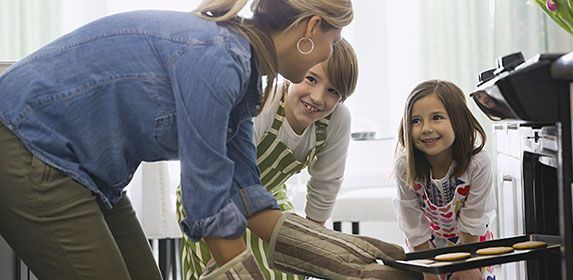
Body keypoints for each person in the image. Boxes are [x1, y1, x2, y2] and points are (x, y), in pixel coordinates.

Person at [0, 0, 426, 279]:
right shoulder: (218, 58)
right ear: (312, 27)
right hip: (31, 148)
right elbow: (208, 204)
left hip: (90, 175)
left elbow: (248, 198)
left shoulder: (244, 74)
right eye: (332, 41)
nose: (325, 54)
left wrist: (349, 259)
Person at [176, 38, 357, 280]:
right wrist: (224, 250)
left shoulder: (337, 121)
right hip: (212, 196)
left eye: (332, 91)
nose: (317, 97)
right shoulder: (265, 101)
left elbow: (325, 186)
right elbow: (223, 173)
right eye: (311, 79)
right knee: (229, 272)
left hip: (268, 198)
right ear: (293, 72)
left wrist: (312, 249)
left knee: (289, 269)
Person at [393, 80, 497, 280]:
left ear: (457, 120)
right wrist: (427, 268)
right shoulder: (405, 168)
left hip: (472, 244)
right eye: (415, 121)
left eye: (437, 118)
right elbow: (412, 222)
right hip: (424, 248)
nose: (426, 128)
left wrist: (466, 264)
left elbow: (474, 218)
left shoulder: (478, 163)